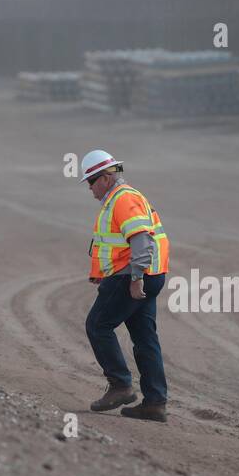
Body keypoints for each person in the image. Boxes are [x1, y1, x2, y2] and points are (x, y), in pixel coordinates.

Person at [79, 149, 170, 422]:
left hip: (132, 275)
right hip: (145, 274)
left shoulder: (122, 199)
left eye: (92, 182)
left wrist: (136, 277)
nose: (90, 189)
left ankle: (120, 385)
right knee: (144, 338)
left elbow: (141, 240)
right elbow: (114, 244)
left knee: (98, 325)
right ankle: (154, 403)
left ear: (105, 178)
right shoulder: (122, 198)